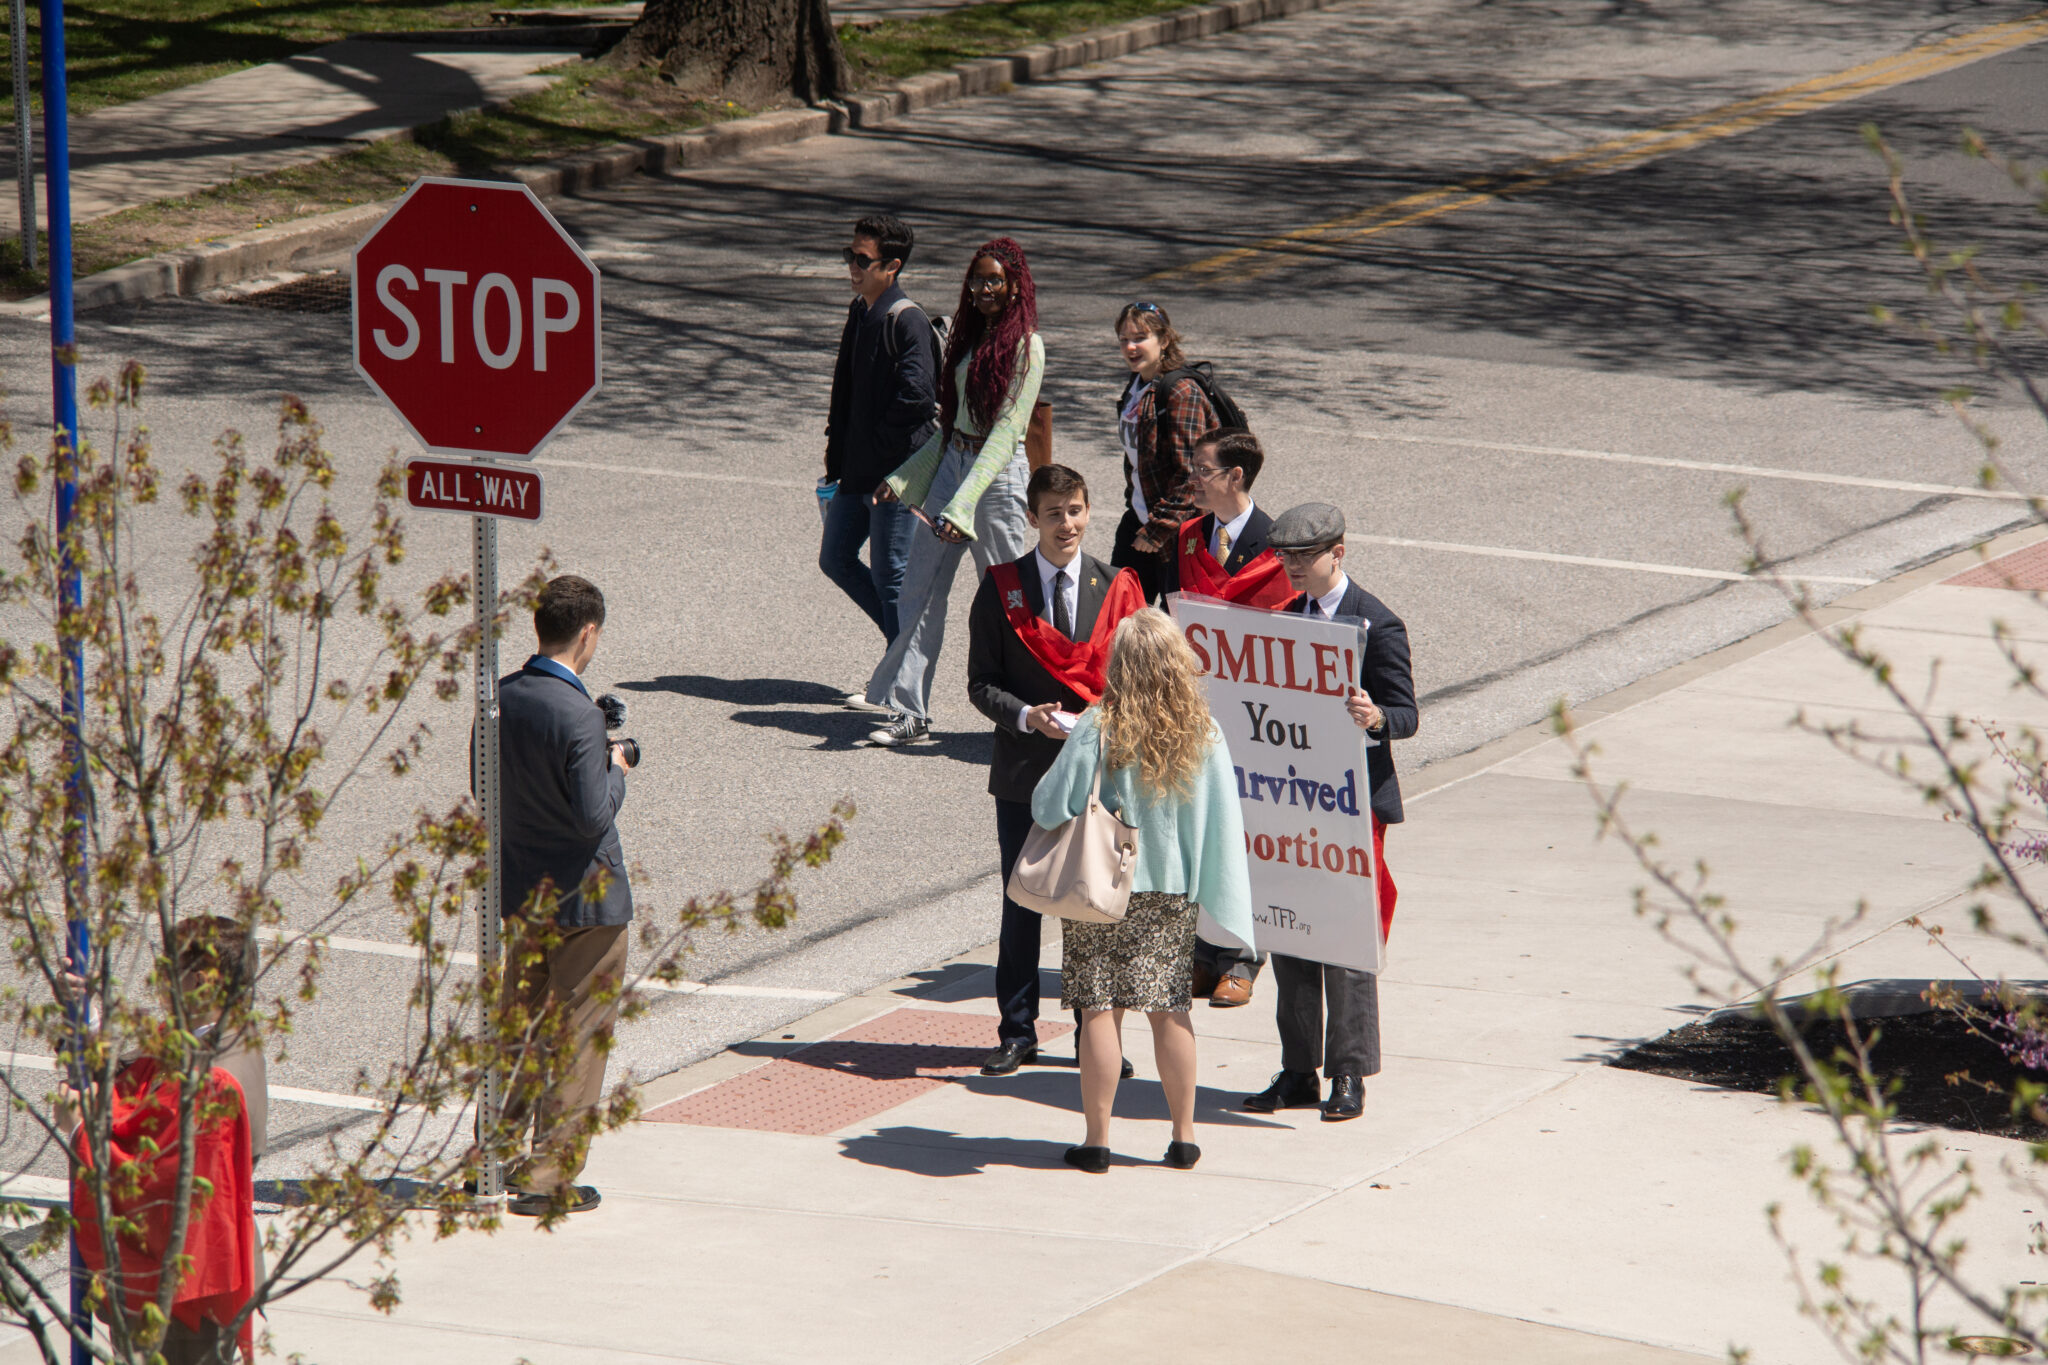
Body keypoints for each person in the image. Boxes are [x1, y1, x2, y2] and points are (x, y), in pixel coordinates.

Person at [1030, 609, 1255, 1172]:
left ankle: (1098, 1141)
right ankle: (1183, 1138)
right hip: (1172, 891)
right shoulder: (1203, 730)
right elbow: (1224, 817)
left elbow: (1048, 804)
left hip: (1101, 887)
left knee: (1100, 1010)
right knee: (1170, 1009)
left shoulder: (1098, 724)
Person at [965, 463, 1145, 1076]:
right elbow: (980, 684)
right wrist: (1023, 715)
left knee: (1093, 904)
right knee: (1021, 904)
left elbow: (1140, 679)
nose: (1065, 524)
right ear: (1031, 519)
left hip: (1100, 775)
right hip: (1026, 774)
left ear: (1089, 510)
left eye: (1074, 511)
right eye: (1052, 513)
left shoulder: (1117, 585)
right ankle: (1017, 1031)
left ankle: (1093, 1039)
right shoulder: (1002, 587)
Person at [1242, 503, 1416, 1123]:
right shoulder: (1286, 620)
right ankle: (1297, 1070)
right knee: (1290, 933)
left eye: (1301, 557)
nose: (1289, 567)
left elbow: (1407, 716)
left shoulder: (1378, 623)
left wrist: (1375, 720)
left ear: (1336, 554)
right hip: (1295, 803)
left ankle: (1348, 1073)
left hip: (1354, 807)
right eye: (1283, 557)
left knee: (1345, 942)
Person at [864, 238, 1041, 746]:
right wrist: (903, 479)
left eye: (995, 281)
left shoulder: (1028, 345)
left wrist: (965, 504)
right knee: (920, 591)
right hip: (954, 463)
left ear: (1014, 287)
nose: (984, 289)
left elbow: (1007, 432)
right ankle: (910, 711)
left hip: (999, 476)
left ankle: (1024, 711)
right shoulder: (967, 335)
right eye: (977, 279)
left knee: (1008, 597)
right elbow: (950, 428)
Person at [495, 574, 634, 1214]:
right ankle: (548, 1175)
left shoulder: (501, 698)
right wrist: (617, 767)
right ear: (588, 633)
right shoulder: (579, 714)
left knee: (515, 1028)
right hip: (588, 902)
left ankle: (491, 1158)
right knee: (578, 1036)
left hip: (524, 892)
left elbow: (483, 785)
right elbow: (592, 815)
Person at [63, 917, 262, 1364]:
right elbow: (141, 1076)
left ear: (196, 980)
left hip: (187, 1289)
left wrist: (81, 1130)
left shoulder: (213, 1077)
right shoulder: (226, 1038)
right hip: (199, 1271)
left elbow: (154, 1177)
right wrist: (87, 1022)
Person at [1167, 428, 1295, 1008]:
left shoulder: (1279, 547)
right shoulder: (1190, 538)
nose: (1192, 479)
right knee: (1201, 830)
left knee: (1248, 838)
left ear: (1235, 477)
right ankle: (1201, 949)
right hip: (1200, 713)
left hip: (1261, 722)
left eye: (1202, 469)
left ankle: (1244, 955)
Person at [821, 214, 935, 678]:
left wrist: (881, 451)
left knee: (891, 578)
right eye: (850, 255)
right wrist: (839, 455)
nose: (853, 265)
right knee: (836, 559)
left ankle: (899, 677)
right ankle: (899, 649)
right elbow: (844, 390)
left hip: (895, 475)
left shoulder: (907, 322)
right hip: (856, 471)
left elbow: (918, 397)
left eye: (862, 259)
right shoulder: (860, 310)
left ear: (893, 266)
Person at [1110, 302, 1218, 603]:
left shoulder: (1181, 392)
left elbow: (1192, 474)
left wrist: (1158, 530)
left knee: (1179, 631)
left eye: (1140, 337)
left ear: (1164, 340)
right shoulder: (1136, 387)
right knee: (1121, 617)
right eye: (1123, 339)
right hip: (1140, 519)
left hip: (1177, 531)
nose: (1130, 347)